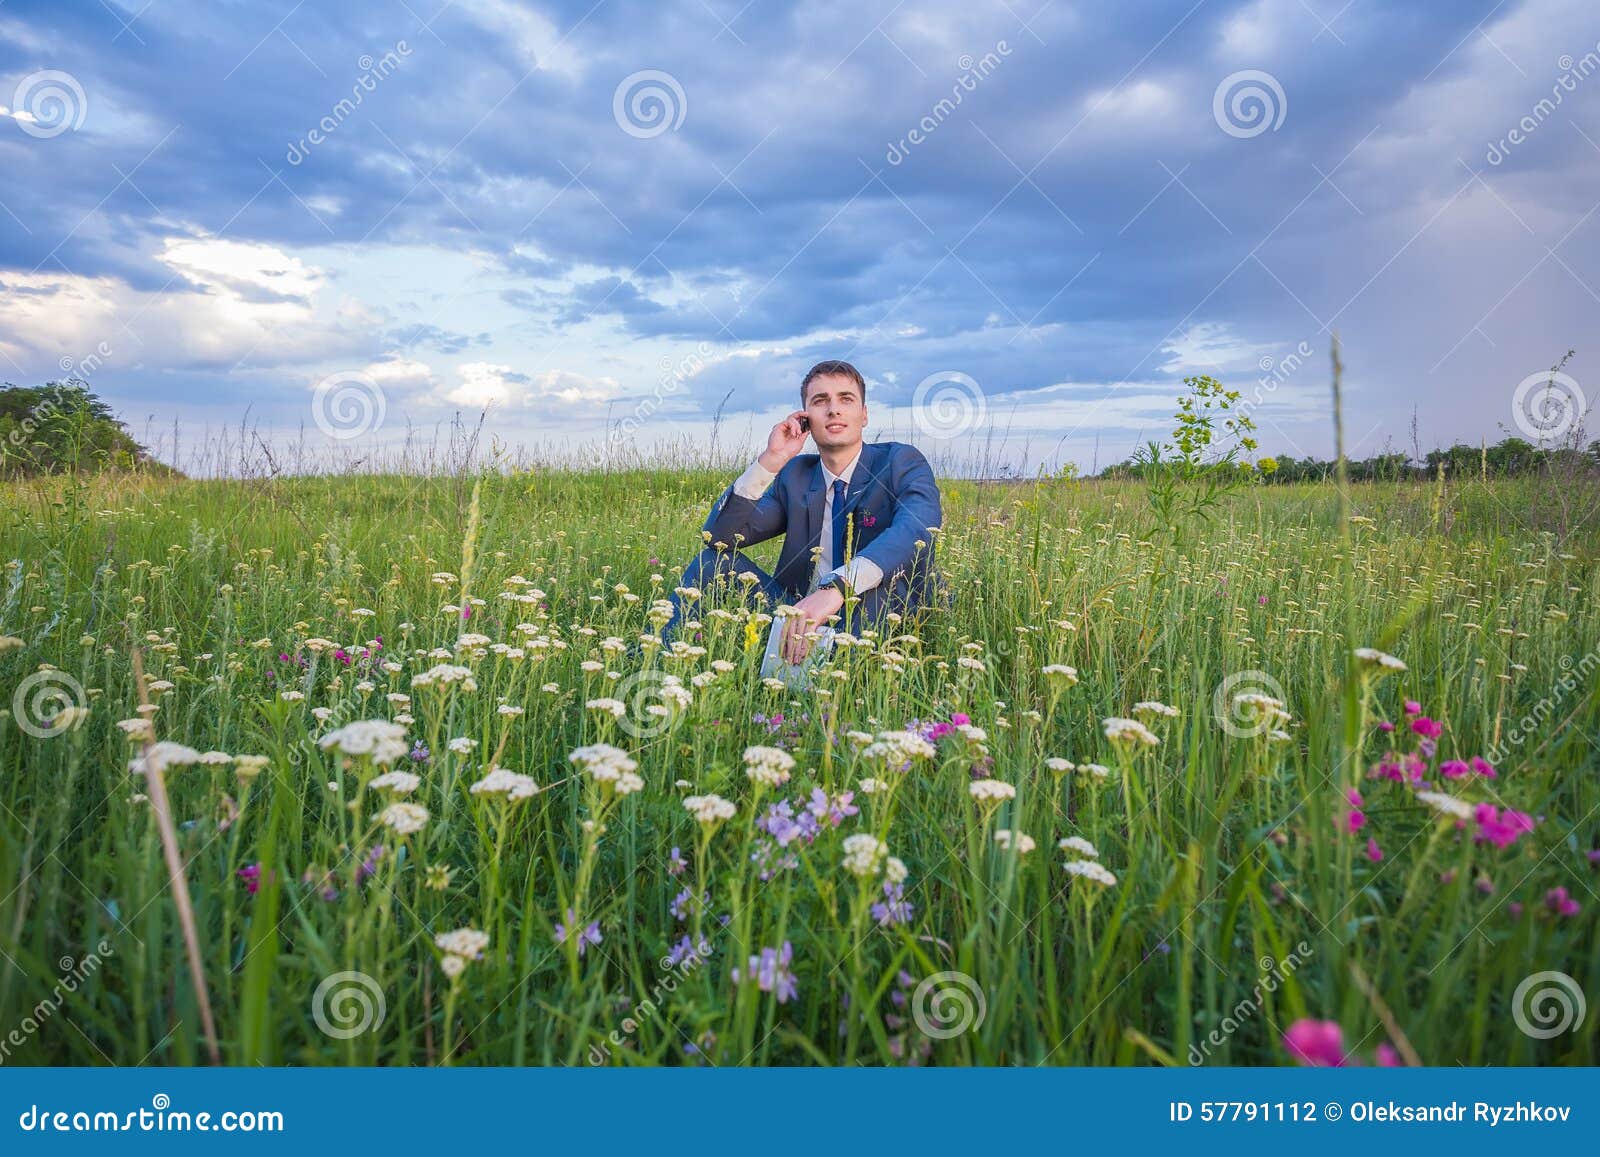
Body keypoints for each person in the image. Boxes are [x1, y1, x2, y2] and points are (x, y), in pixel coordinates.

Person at [663, 359, 945, 662]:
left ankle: (822, 669)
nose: (833, 409)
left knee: (871, 607)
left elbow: (918, 527)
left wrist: (839, 587)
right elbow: (719, 537)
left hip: (877, 613)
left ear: (863, 415)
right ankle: (657, 663)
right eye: (820, 401)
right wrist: (771, 459)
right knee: (711, 562)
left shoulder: (900, 461)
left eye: (846, 399)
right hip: (799, 612)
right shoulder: (796, 474)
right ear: (806, 418)